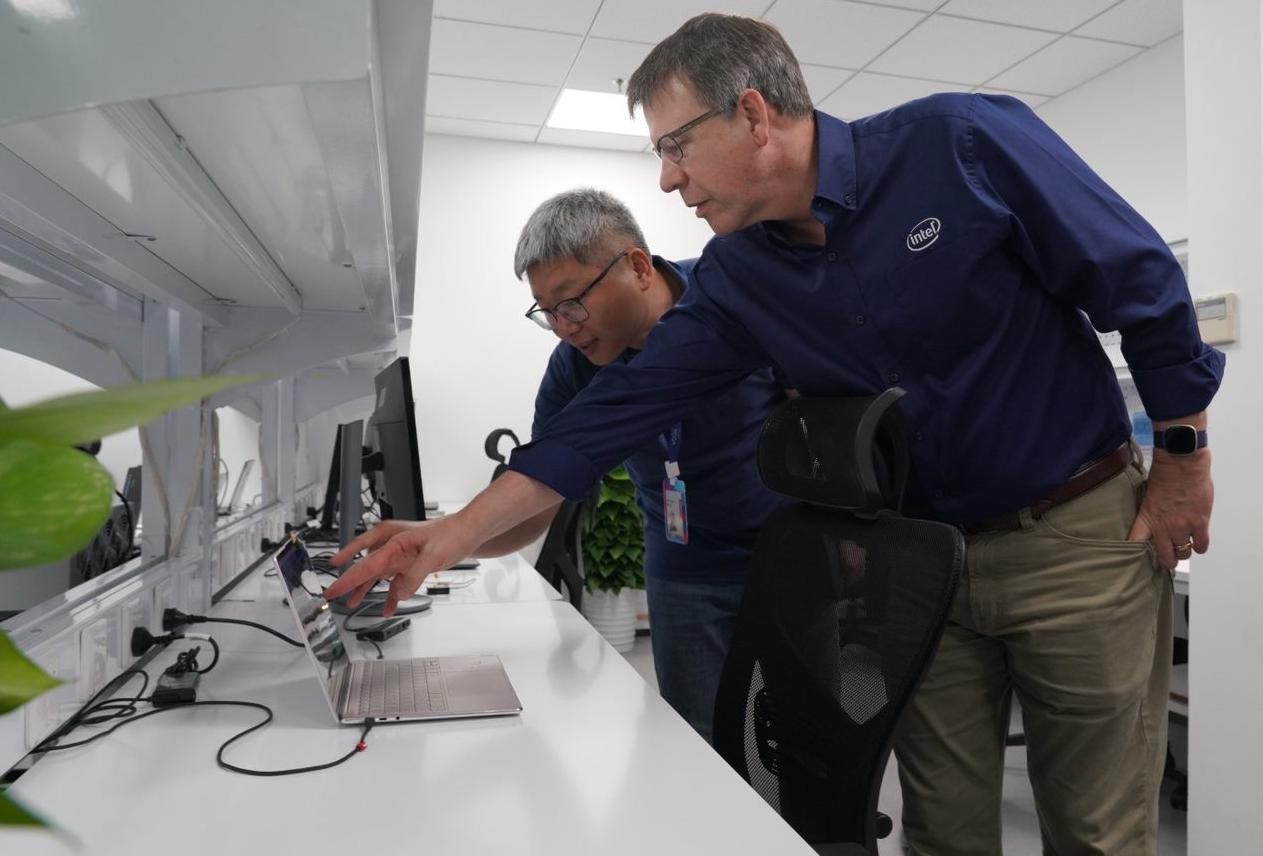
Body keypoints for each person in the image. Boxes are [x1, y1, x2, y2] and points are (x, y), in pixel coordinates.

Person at [327, 14, 1224, 854]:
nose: (667, 178)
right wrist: (446, 538)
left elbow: (1138, 281)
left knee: (1094, 832)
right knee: (943, 831)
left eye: (675, 146)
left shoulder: (957, 141)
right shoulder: (740, 277)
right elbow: (609, 416)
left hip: (1070, 536)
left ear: (752, 114)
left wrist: (1181, 457)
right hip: (920, 564)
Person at [335, 188, 787, 743]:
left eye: (571, 303)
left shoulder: (728, 306)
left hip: (785, 556)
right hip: (684, 567)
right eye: (546, 312)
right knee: (696, 736)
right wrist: (443, 541)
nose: (564, 326)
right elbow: (540, 497)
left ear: (638, 267)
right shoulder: (574, 368)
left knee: (792, 742)